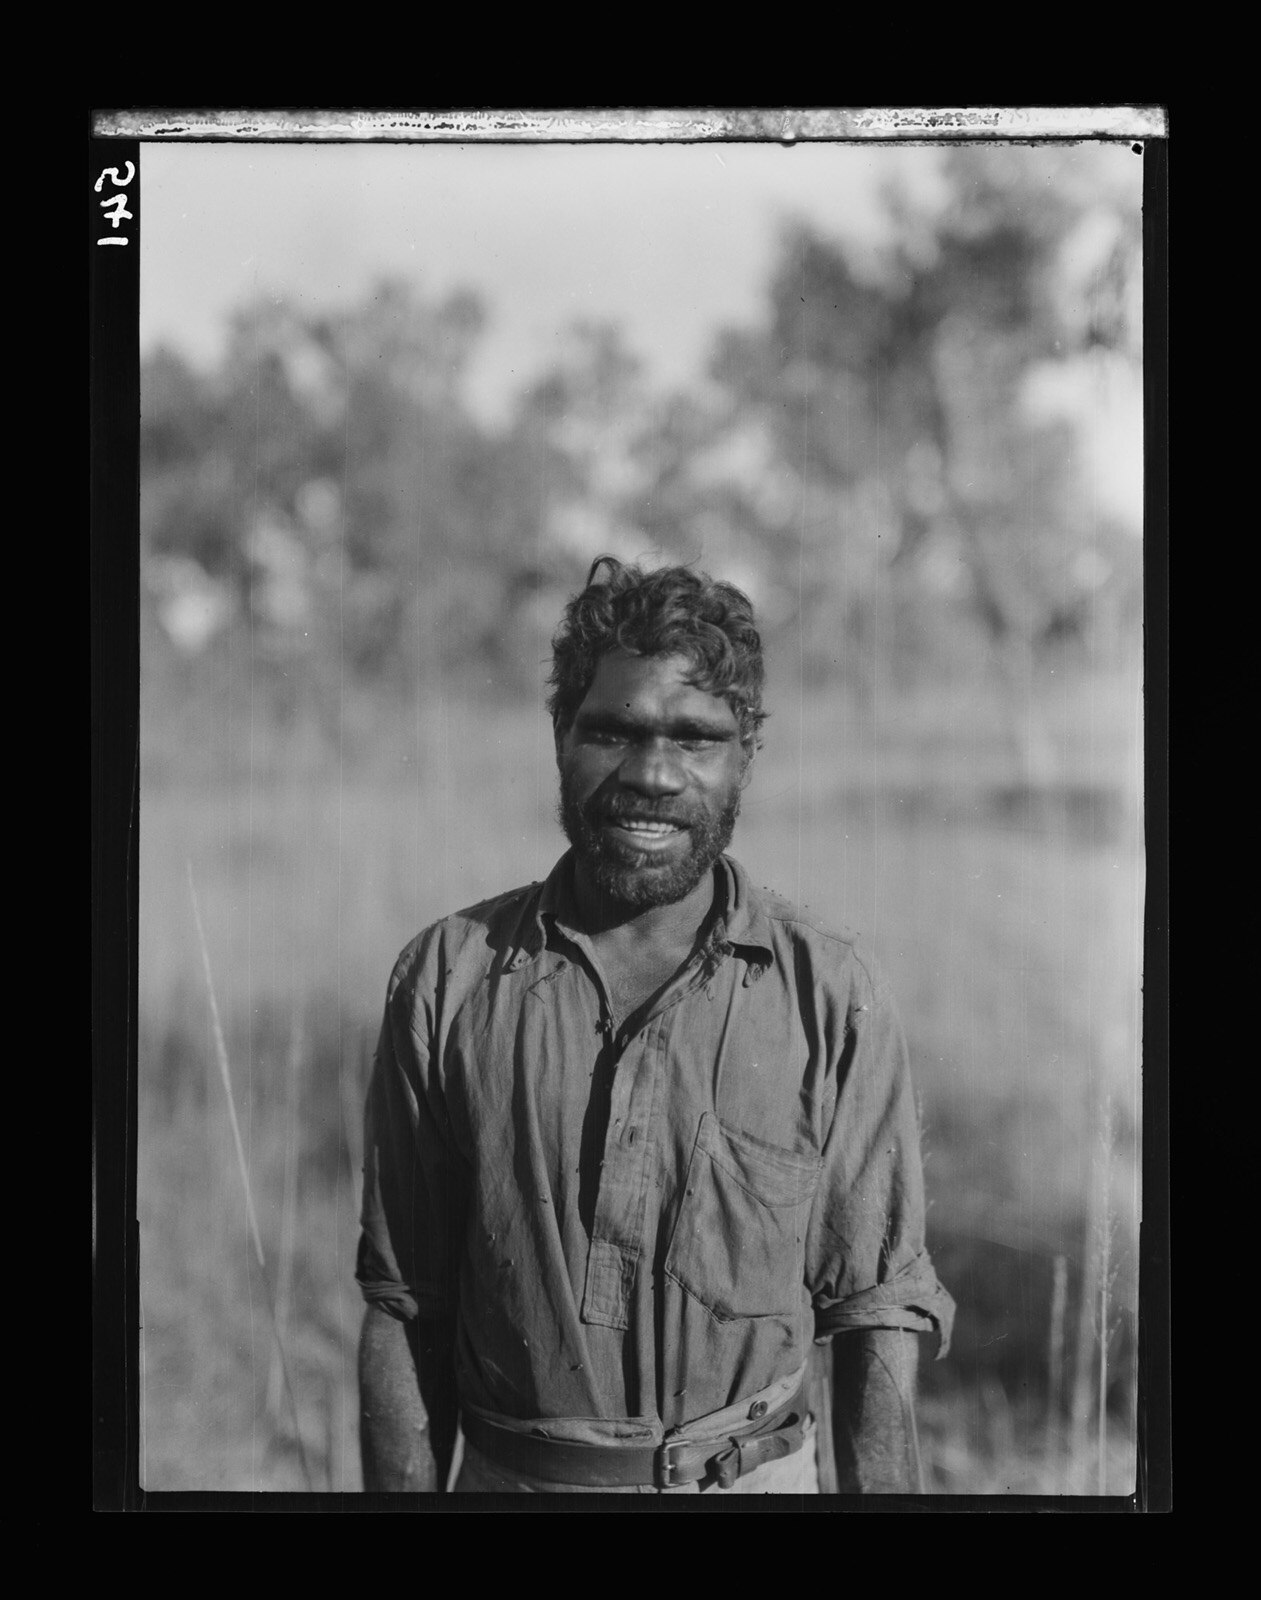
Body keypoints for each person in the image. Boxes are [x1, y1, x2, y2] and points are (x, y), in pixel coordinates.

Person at [356, 557, 954, 1495]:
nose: (652, 774)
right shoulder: (449, 975)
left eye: (696, 737)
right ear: (561, 737)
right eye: (612, 731)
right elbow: (404, 1304)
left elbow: (875, 1311)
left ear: (744, 755)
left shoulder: (829, 991)